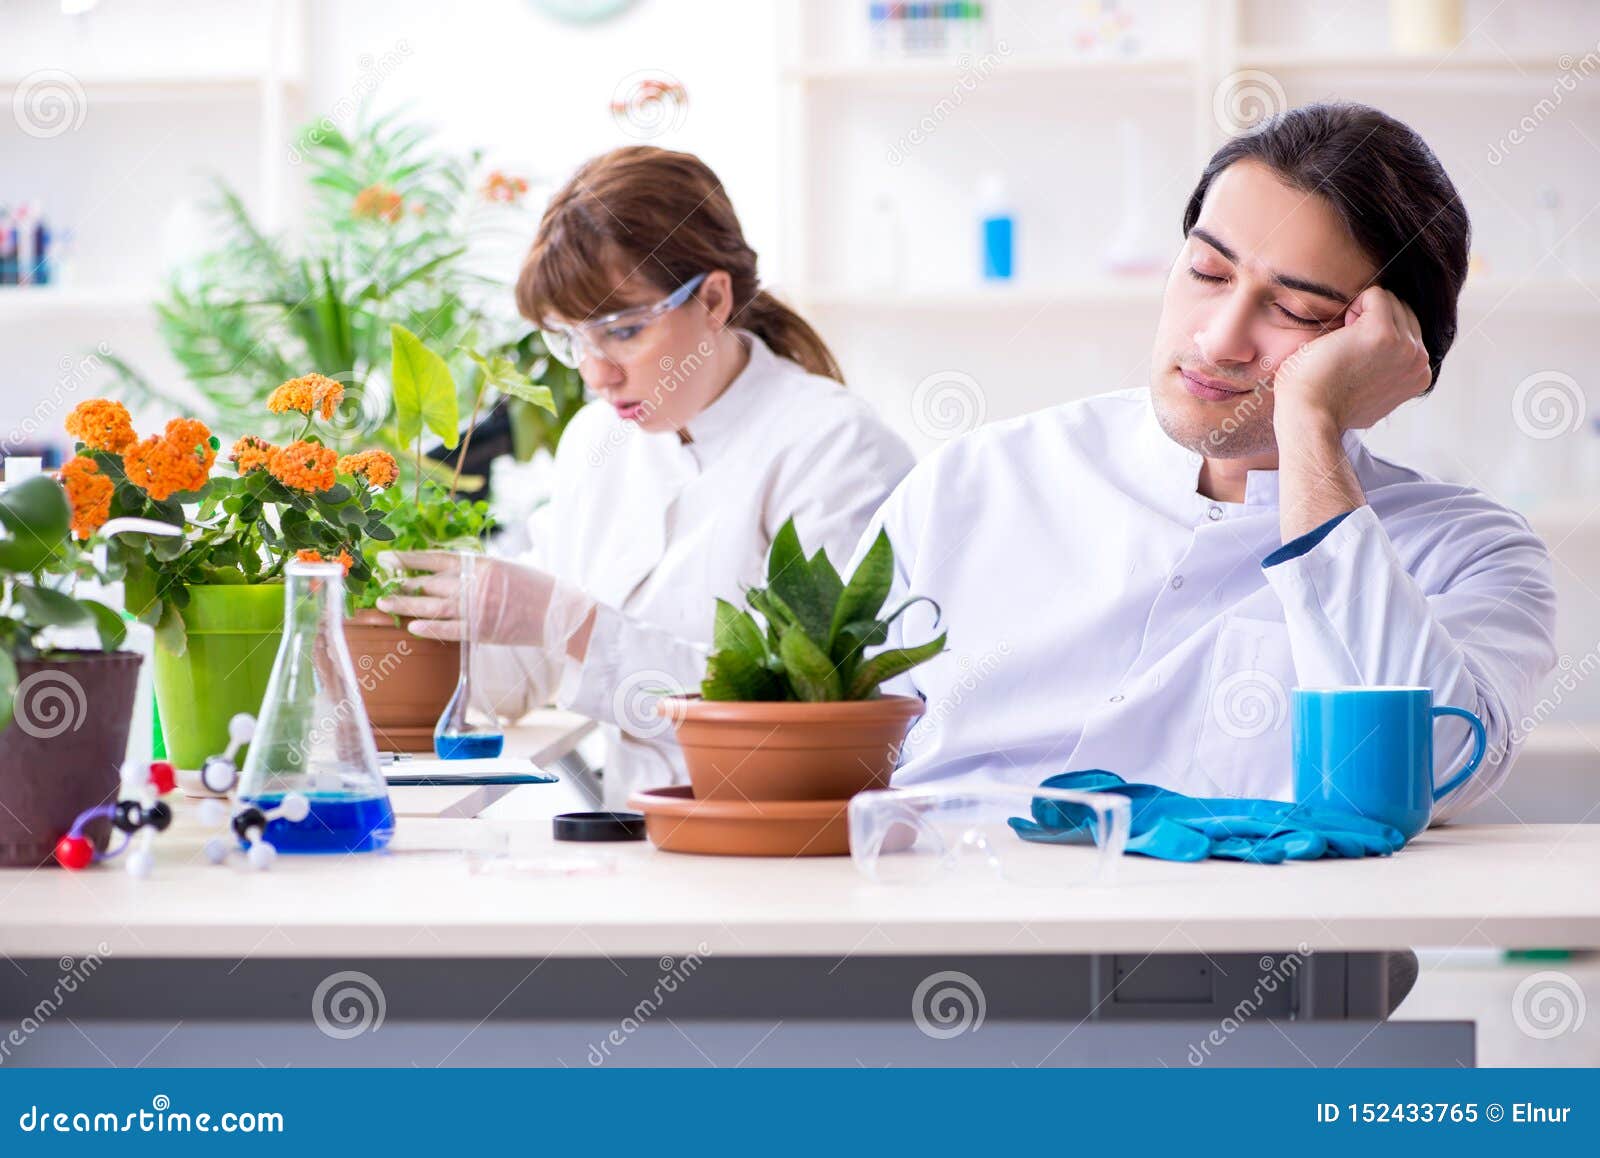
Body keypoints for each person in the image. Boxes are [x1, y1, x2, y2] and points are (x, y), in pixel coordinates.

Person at [860, 101, 1556, 827]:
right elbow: (813, 745)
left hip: (1255, 940)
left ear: (1387, 348)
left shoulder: (1471, 553)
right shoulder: (975, 483)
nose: (1221, 339)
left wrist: (1311, 426)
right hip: (949, 917)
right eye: (1207, 270)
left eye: (1293, 309)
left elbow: (1426, 776)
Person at [378, 146, 914, 805]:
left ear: (713, 299)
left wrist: (567, 620)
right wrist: (386, 630)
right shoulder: (597, 442)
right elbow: (523, 669)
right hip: (643, 840)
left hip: (783, 844)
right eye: (571, 337)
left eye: (624, 331)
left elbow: (804, 719)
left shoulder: (834, 448)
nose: (595, 373)